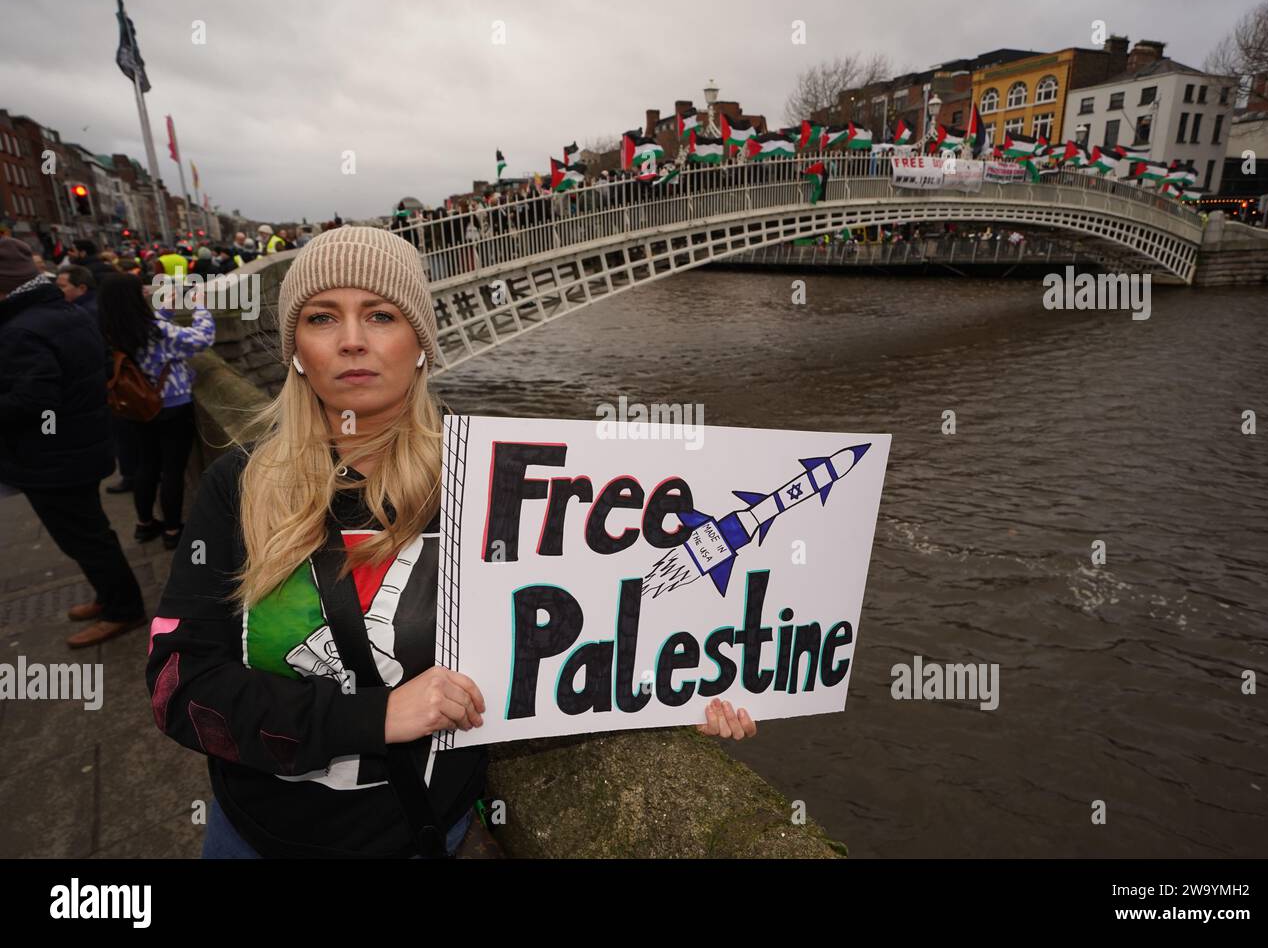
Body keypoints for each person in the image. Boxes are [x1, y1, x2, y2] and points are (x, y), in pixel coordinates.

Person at [144, 225, 755, 860]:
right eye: (322, 317)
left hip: (420, 837)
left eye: (381, 315)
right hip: (256, 842)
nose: (352, 339)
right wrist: (376, 716)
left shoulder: (492, 482)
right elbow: (177, 687)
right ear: (296, 350)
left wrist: (665, 687)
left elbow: (578, 629)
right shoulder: (239, 486)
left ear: (421, 346)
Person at [0, 238, 147, 648]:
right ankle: (110, 596)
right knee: (91, 532)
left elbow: (34, 400)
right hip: (80, 445)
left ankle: (124, 609)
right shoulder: (65, 312)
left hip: (53, 458)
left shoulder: (21, 330)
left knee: (84, 537)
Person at [98, 273, 214, 551]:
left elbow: (151, 336)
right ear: (132, 297)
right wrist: (200, 306)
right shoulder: (155, 330)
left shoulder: (113, 329)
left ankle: (145, 523)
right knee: (172, 469)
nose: (147, 292)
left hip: (137, 407)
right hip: (171, 406)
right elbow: (203, 338)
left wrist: (164, 311)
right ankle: (173, 529)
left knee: (146, 464)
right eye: (141, 290)